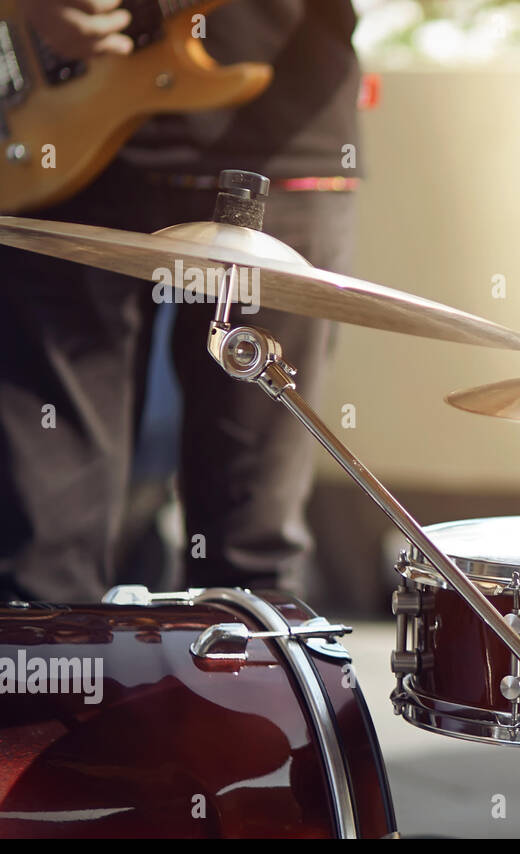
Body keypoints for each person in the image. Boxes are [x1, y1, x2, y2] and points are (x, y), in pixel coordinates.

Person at [0, 0, 361, 600]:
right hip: (53, 145)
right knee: (40, 550)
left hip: (276, 147)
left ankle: (244, 692)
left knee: (251, 563)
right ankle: (48, 693)